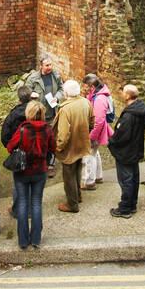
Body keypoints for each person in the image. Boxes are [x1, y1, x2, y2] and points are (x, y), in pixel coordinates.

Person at [5, 100, 53, 249]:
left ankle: (23, 240)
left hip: (23, 171)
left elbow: (9, 147)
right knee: (37, 203)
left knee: (23, 203)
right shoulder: (47, 129)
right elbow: (53, 147)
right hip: (40, 170)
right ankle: (36, 239)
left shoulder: (22, 129)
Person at [107, 84, 145, 218]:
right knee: (134, 177)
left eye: (124, 92)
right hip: (135, 149)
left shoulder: (129, 116)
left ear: (128, 96)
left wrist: (111, 141)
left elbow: (122, 135)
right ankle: (132, 204)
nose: (122, 94)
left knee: (126, 180)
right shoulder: (141, 109)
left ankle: (125, 208)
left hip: (126, 152)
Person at [54, 80, 93, 213]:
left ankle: (72, 204)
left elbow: (63, 134)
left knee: (68, 175)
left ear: (65, 93)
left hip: (70, 147)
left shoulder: (65, 109)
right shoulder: (85, 102)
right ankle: (78, 195)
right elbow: (92, 121)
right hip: (82, 143)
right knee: (77, 170)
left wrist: (58, 147)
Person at [1, 86, 34, 217]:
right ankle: (31, 211)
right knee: (32, 180)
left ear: (19, 98)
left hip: (18, 150)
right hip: (33, 149)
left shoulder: (13, 114)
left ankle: (17, 210)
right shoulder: (36, 111)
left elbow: (5, 134)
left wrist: (11, 148)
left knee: (18, 182)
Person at [84, 73, 113, 189]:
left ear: (91, 87)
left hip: (96, 132)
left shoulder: (100, 98)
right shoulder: (97, 94)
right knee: (95, 153)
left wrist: (92, 136)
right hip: (98, 131)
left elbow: (99, 121)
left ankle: (90, 181)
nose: (84, 88)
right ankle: (98, 176)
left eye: (86, 86)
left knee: (90, 154)